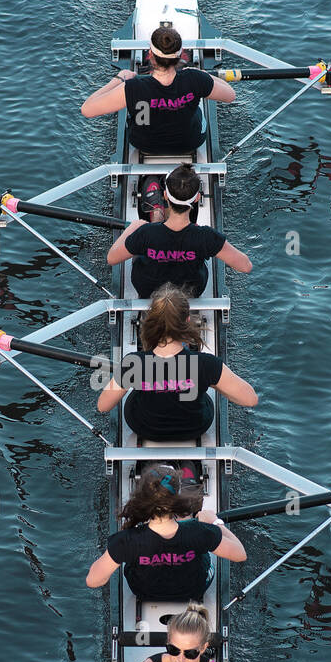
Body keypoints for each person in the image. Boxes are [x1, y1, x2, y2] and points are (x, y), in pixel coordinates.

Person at [96, 285, 257, 442]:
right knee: (204, 394)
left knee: (133, 395)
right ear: (187, 320)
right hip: (194, 427)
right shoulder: (207, 364)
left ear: (151, 321)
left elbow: (103, 406)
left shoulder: (133, 363)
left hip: (145, 427)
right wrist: (213, 383)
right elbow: (250, 399)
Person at [84, 463, 246, 601]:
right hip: (193, 590)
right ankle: (186, 520)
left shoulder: (126, 541)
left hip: (144, 592)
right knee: (203, 546)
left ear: (142, 497)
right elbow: (240, 554)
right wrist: (215, 523)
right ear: (178, 498)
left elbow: (93, 581)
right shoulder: (200, 531)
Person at [80, 23, 236, 155]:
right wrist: (203, 75)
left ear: (150, 55)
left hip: (143, 145)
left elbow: (87, 109)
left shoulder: (132, 87)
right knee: (198, 101)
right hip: (189, 144)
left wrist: (119, 79)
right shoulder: (195, 78)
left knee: (137, 107)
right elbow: (230, 95)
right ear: (181, 55)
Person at [108, 163, 251, 299]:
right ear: (197, 198)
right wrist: (214, 241)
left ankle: (157, 214)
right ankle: (160, 216)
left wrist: (132, 228)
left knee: (145, 243)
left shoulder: (144, 233)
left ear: (165, 195)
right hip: (190, 292)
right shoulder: (206, 236)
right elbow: (246, 266)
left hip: (148, 290)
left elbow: (112, 258)